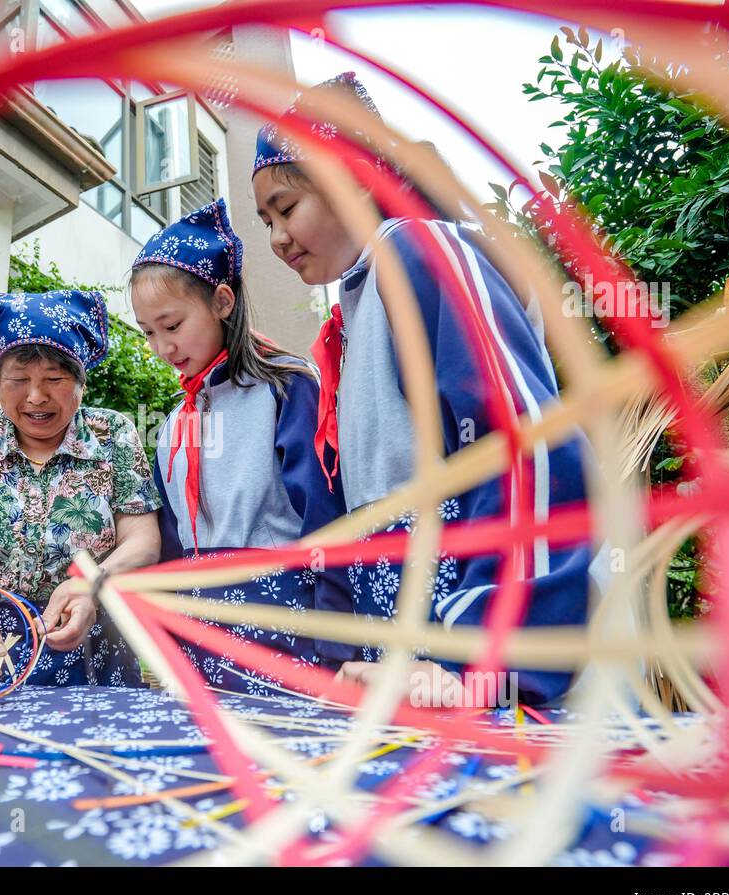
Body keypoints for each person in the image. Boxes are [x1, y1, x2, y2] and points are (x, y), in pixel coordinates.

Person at [252, 72, 594, 704]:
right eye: (265, 218)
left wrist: (491, 657)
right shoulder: (357, 317)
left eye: (287, 207)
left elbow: (526, 447)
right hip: (421, 679)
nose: (275, 238)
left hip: (494, 683)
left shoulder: (424, 254)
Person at [129, 197, 371, 693]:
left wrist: (338, 638)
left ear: (222, 301)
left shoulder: (286, 390)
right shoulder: (174, 422)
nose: (163, 348)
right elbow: (173, 543)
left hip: (284, 622)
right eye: (148, 333)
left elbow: (326, 517)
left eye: (172, 326)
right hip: (200, 632)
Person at [0, 289, 161, 686]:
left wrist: (91, 583)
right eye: (17, 380)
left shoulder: (113, 434)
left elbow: (143, 539)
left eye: (55, 379)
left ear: (81, 379)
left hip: (84, 639)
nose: (35, 396)